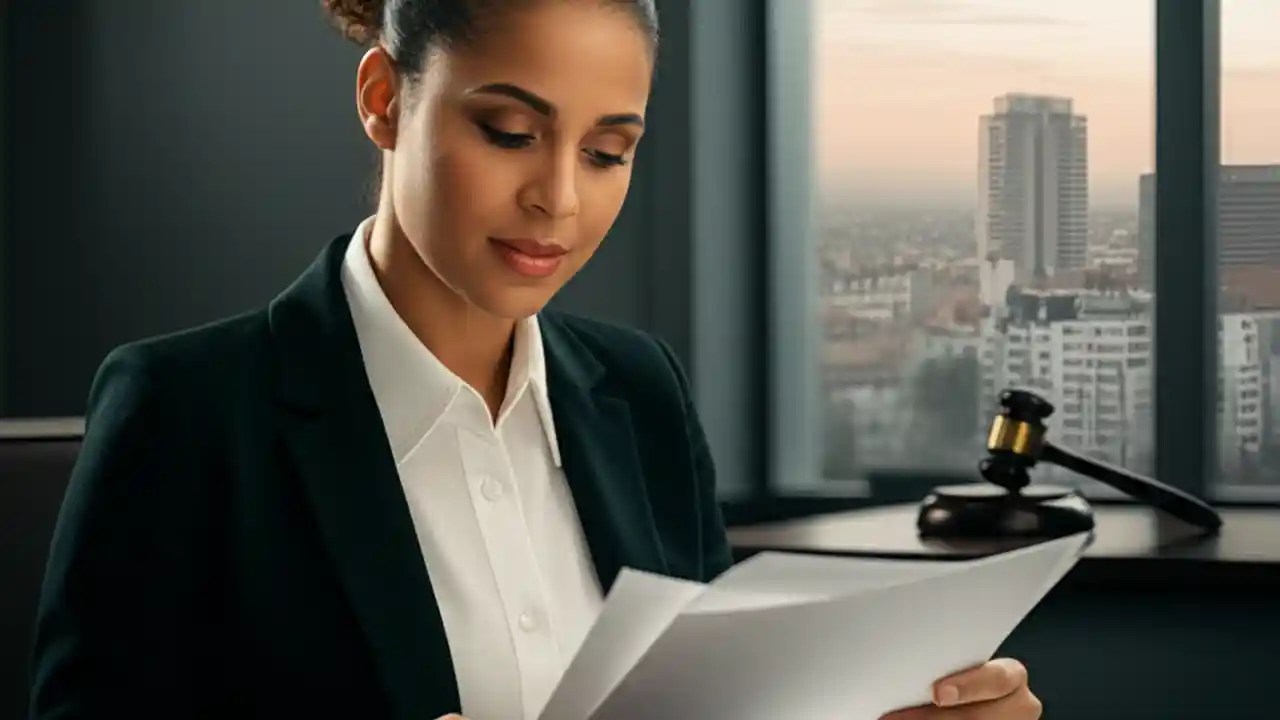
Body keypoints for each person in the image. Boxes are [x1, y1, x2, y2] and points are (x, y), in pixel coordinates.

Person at [27, 1, 1042, 718]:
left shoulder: (637, 392)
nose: (559, 199)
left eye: (608, 152)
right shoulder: (190, 410)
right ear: (384, 98)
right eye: (509, 131)